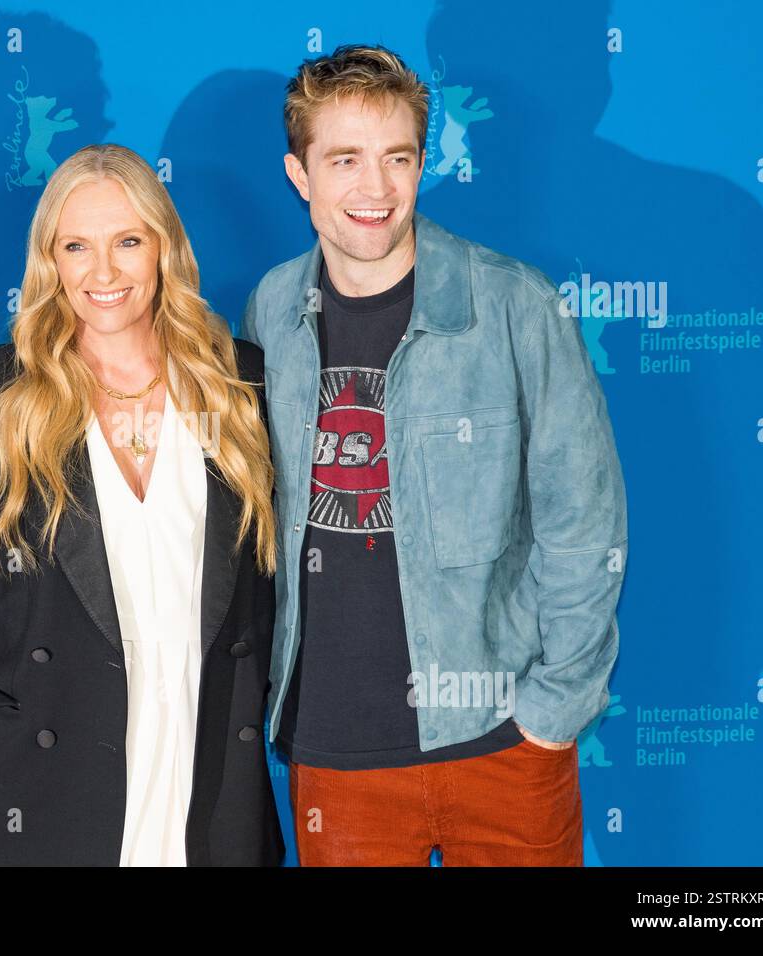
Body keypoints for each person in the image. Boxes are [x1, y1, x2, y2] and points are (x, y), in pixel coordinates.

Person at [242, 44, 628, 866]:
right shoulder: (273, 308)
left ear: (424, 163)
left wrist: (551, 713)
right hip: (337, 753)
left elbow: (584, 520)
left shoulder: (514, 304)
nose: (374, 190)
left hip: (502, 746)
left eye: (397, 158)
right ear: (298, 174)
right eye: (344, 160)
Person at [0, 143, 284, 866]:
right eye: (77, 246)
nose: (103, 273)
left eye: (128, 241)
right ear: (50, 260)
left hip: (206, 774)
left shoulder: (241, 383)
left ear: (164, 248)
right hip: (40, 788)